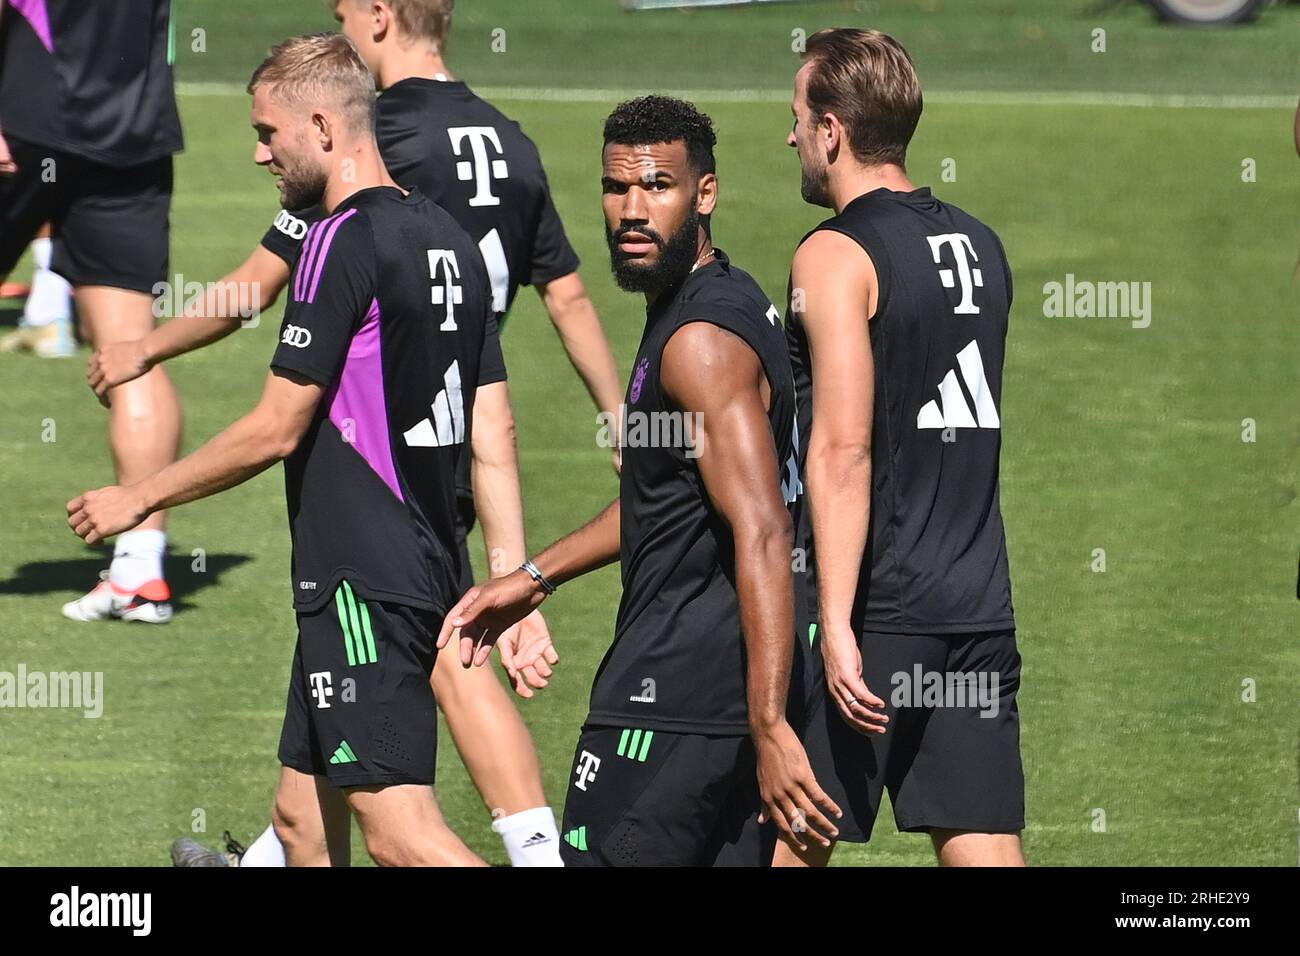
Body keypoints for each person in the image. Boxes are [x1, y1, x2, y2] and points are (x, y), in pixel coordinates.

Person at [99, 0, 626, 868]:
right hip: (422, 560)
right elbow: (493, 421)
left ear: (320, 123)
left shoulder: (338, 239)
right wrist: (510, 577)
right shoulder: (446, 238)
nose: (260, 152)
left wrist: (141, 495)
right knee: (302, 822)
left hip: (358, 579)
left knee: (399, 836)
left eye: (269, 133)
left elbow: (276, 428)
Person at [439, 96, 840, 866]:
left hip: (676, 701)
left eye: (657, 187)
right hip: (735, 692)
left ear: (705, 194)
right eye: (615, 188)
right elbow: (671, 498)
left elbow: (761, 528)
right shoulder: (723, 300)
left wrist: (767, 725)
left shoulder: (698, 343)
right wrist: (534, 576)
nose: (631, 209)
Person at [777, 28, 1025, 867]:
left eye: (799, 118)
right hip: (977, 603)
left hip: (879, 610)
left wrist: (836, 623)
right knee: (984, 845)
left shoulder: (834, 254)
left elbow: (843, 450)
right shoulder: (981, 247)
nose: (791, 138)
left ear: (833, 130)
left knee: (789, 840)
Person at [0, 0, 184, 621]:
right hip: (132, 129)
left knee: (130, 352)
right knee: (132, 351)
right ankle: (140, 572)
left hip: (28, 116)